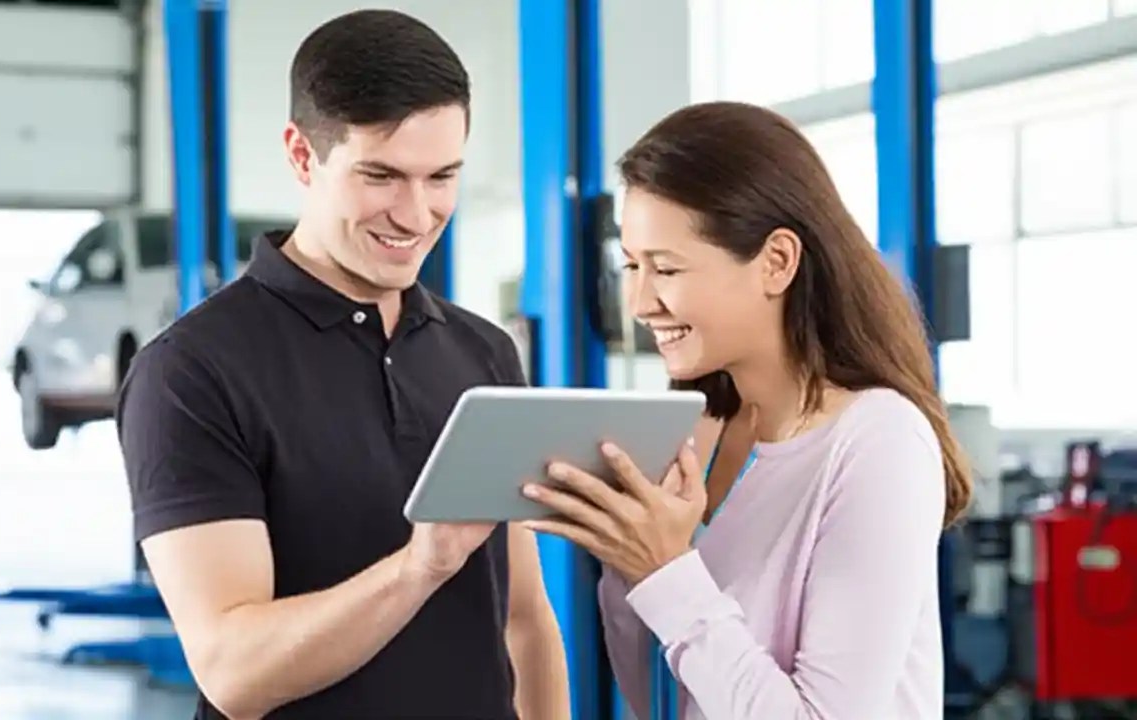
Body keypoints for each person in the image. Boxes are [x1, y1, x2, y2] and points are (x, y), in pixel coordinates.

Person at [116, 10, 569, 720]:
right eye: (381, 176)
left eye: (441, 176)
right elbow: (234, 673)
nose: (417, 214)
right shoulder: (191, 373)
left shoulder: (483, 353)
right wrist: (420, 568)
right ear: (303, 156)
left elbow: (523, 618)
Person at [519, 101, 973, 719]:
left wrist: (663, 568)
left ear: (777, 262)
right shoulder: (694, 434)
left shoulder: (879, 442)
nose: (640, 301)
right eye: (630, 265)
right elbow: (659, 693)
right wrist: (624, 557)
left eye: (666, 268)